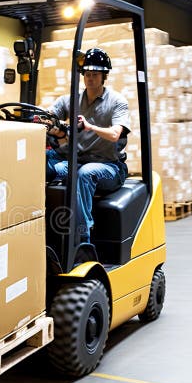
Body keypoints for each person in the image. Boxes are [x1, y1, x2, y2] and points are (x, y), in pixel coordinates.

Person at [43, 47, 130, 244]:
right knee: (46, 163)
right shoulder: (71, 100)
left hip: (109, 166)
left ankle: (83, 239)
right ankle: (43, 226)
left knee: (85, 174)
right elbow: (50, 115)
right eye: (87, 74)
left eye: (95, 75)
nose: (90, 78)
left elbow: (115, 134)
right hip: (77, 161)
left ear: (104, 76)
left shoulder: (117, 102)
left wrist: (90, 126)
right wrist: (45, 120)